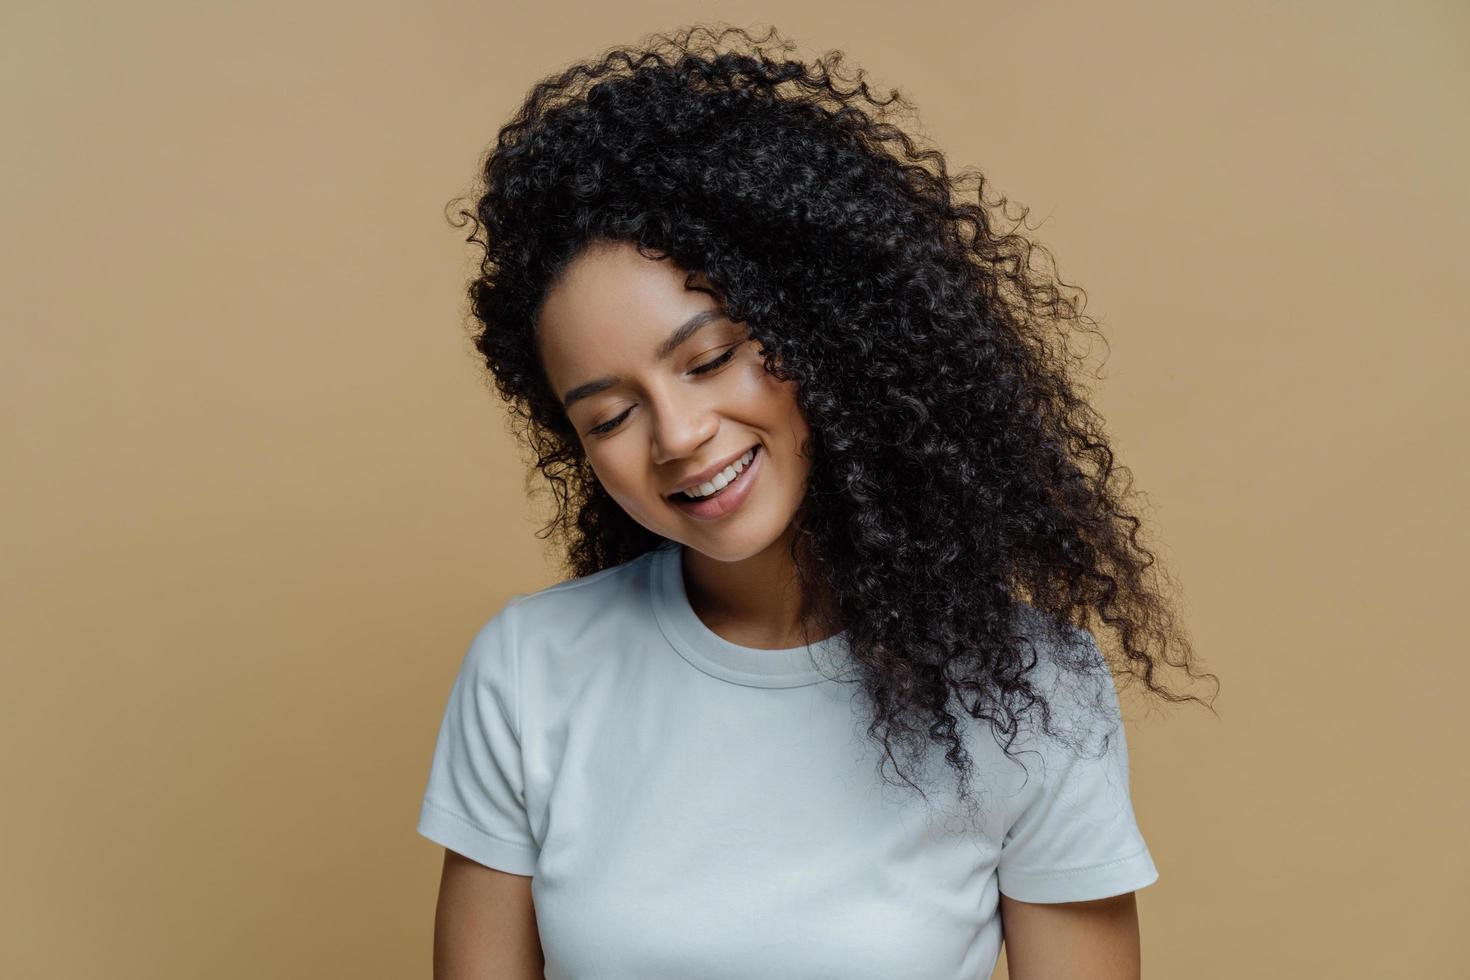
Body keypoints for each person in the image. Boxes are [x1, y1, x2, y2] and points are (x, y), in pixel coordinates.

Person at [416, 23, 1214, 980]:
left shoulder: (1031, 693)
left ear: (832, 333)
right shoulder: (530, 672)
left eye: (709, 360)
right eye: (611, 415)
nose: (677, 435)